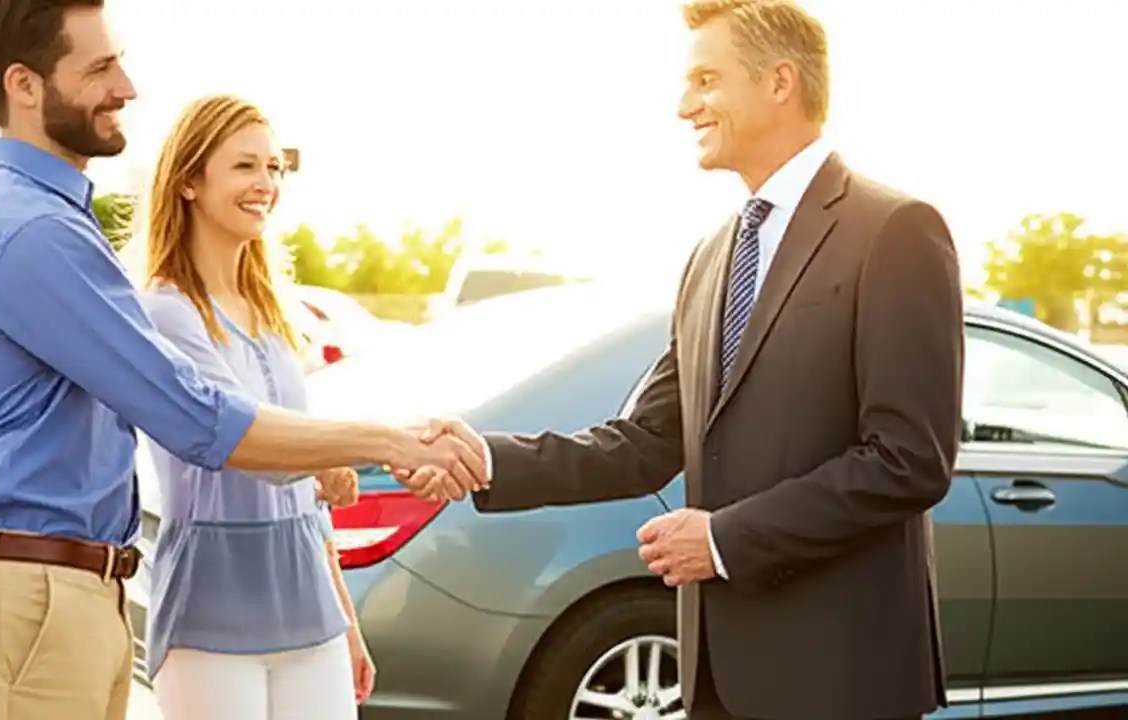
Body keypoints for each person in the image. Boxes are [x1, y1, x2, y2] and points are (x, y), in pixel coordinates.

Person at [0, 2, 483, 719]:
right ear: (24, 85)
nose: (126, 86)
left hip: (57, 593)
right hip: (29, 597)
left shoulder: (48, 220)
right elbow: (198, 419)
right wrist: (391, 441)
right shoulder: (32, 233)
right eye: (99, 68)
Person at [413, 1, 963, 718]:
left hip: (841, 678)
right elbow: (645, 443)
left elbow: (908, 459)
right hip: (716, 679)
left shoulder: (894, 230)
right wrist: (487, 457)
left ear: (780, 82)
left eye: (706, 80)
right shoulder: (711, 257)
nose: (684, 106)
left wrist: (725, 539)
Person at [132, 94, 372, 719]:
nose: (266, 183)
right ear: (188, 181)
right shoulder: (166, 314)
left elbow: (306, 497)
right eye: (244, 166)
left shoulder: (273, 311)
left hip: (307, 604)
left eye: (274, 167)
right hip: (212, 608)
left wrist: (344, 615)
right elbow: (251, 447)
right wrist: (347, 450)